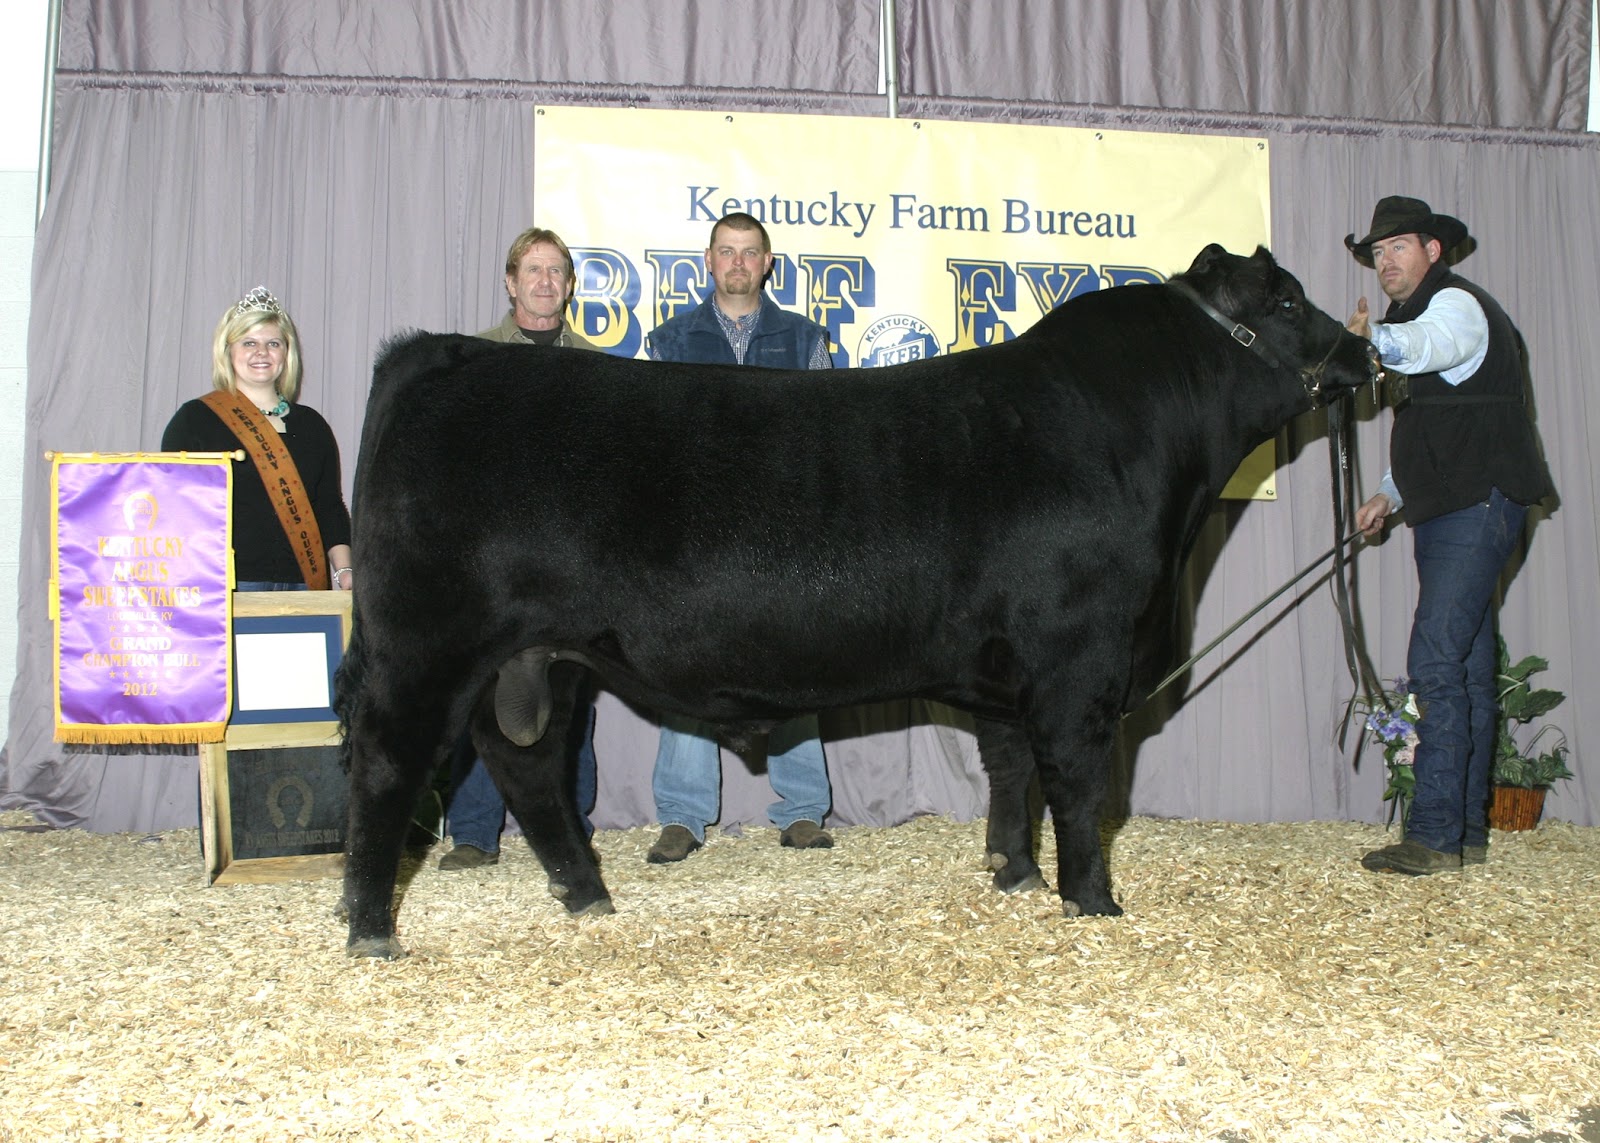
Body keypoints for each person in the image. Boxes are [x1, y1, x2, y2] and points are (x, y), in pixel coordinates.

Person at [1345, 196, 1553, 876]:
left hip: (1478, 502)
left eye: (1397, 246)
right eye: (1377, 253)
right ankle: (1463, 834)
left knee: (1436, 660)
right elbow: (1434, 424)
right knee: (1463, 665)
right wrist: (1389, 494)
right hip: (1450, 506)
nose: (1385, 261)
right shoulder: (1416, 319)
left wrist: (1370, 341)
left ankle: (1433, 834)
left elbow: (1432, 346)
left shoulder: (1456, 306)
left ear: (1432, 250)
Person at [641, 211, 835, 864]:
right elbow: (652, 444)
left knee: (794, 661)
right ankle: (682, 814)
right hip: (696, 537)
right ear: (708, 260)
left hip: (783, 535)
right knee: (686, 665)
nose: (738, 263)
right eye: (727, 251)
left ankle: (802, 809)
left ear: (767, 263)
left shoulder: (805, 339)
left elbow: (824, 442)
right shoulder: (668, 341)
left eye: (750, 253)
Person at [439, 227, 602, 870]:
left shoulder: (599, 367)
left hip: (570, 556)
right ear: (511, 282)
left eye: (555, 270)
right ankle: (475, 832)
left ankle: (570, 829)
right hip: (498, 557)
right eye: (533, 270)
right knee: (486, 687)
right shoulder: (473, 362)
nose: (544, 281)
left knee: (569, 691)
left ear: (569, 284)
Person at [162, 287, 352, 593]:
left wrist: (345, 571)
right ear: (228, 351)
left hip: (304, 584)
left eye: (273, 343)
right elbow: (176, 508)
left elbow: (329, 506)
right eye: (249, 342)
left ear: (286, 353)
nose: (261, 352)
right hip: (227, 586)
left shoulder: (312, 426)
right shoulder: (195, 420)